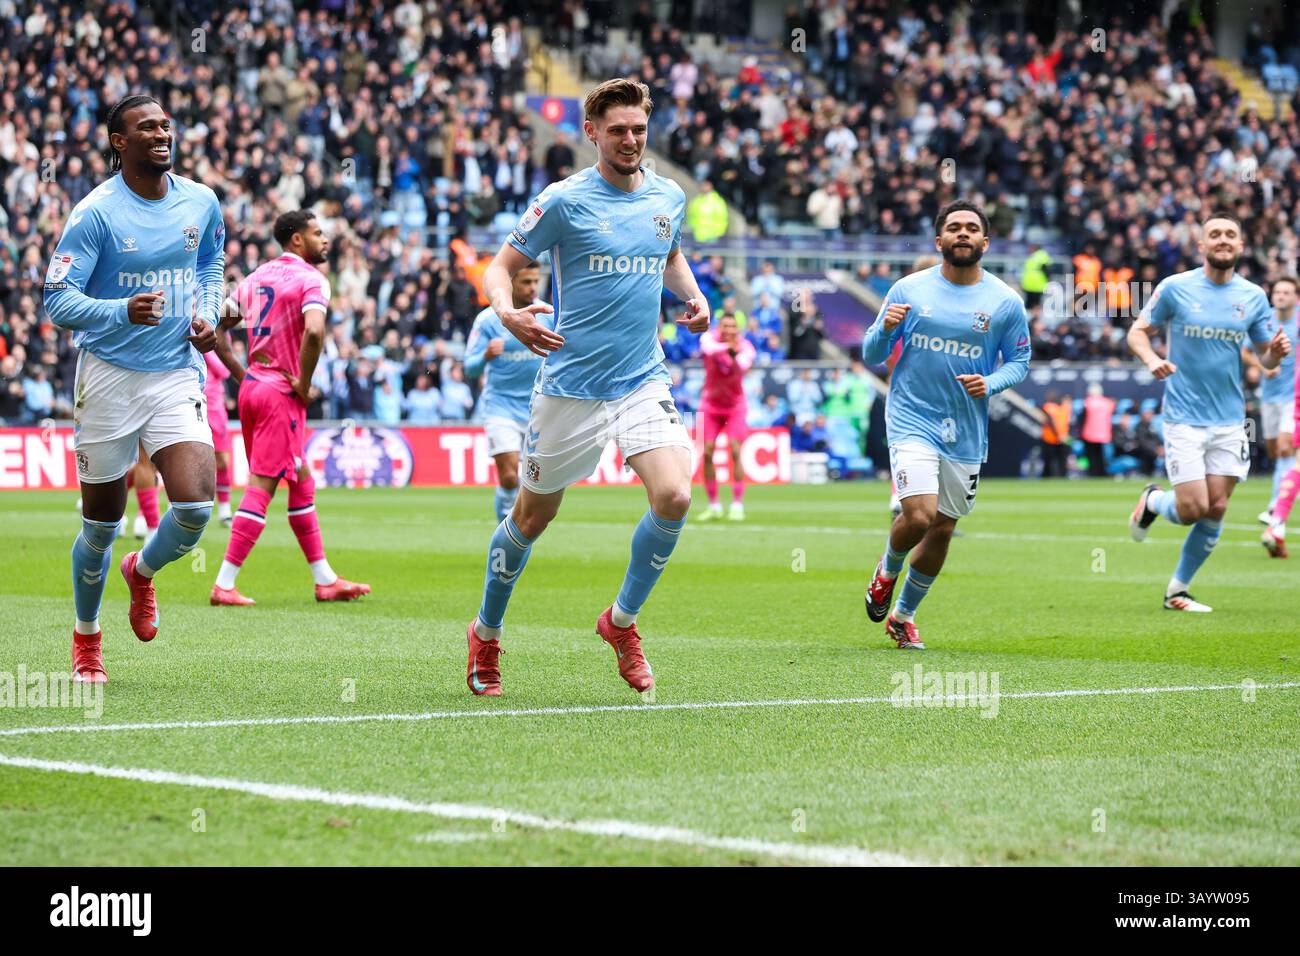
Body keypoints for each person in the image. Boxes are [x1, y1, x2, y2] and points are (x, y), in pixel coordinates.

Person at [465, 77, 708, 700]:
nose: (630, 140)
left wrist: (694, 295)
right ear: (592, 133)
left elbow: (669, 251)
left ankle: (621, 623)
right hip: (571, 385)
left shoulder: (669, 196)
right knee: (531, 517)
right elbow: (499, 268)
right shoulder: (564, 201)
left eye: (638, 129)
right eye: (617, 130)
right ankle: (486, 631)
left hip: (640, 377)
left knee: (676, 495)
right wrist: (507, 314)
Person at [43, 94, 224, 683]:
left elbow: (210, 265)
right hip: (109, 377)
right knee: (100, 524)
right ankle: (87, 637)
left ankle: (141, 572)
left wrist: (209, 313)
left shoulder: (201, 201)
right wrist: (121, 309)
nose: (162, 134)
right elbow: (56, 302)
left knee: (196, 505)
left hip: (175, 370)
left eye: (166, 125)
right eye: (147, 128)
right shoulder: (95, 213)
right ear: (119, 142)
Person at [861, 199, 1031, 649]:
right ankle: (886, 570)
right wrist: (883, 330)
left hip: (966, 430)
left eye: (971, 228)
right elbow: (872, 354)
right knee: (918, 515)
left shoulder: (1005, 302)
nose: (962, 233)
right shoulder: (908, 290)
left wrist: (992, 383)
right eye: (953, 227)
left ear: (985, 242)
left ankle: (903, 616)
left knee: (943, 527)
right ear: (939, 241)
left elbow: (1020, 360)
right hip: (911, 418)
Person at [1127, 213, 1291, 610]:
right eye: (1214, 234)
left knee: (1217, 507)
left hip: (1231, 420)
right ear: (1201, 245)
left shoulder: (1252, 296)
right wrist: (1151, 360)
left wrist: (1275, 353)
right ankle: (1152, 502)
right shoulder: (1175, 289)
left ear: (1240, 246)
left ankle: (1176, 591)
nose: (1222, 240)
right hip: (1184, 417)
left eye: (1230, 235)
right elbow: (1137, 332)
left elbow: (1267, 362)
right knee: (1191, 509)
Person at [211, 210, 370, 606]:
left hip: (254, 388)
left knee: (300, 478)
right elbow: (315, 330)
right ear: (297, 240)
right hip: (280, 392)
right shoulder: (312, 280)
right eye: (317, 233)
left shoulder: (256, 277)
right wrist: (302, 381)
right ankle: (224, 583)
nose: (325, 240)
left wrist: (241, 375)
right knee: (264, 482)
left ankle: (325, 578)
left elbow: (216, 329)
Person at [464, 261, 553, 521]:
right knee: (509, 475)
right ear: (511, 280)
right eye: (526, 281)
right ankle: (504, 529)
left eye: (536, 281)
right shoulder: (489, 319)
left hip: (538, 408)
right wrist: (485, 355)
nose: (533, 287)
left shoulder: (547, 314)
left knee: (533, 481)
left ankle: (519, 527)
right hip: (500, 407)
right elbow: (469, 368)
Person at [697, 313, 756, 521]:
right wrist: (728, 349)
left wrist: (734, 354)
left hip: (735, 406)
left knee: (736, 450)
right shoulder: (709, 338)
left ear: (737, 329)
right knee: (707, 453)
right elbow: (708, 350)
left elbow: (743, 366)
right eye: (725, 326)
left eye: (733, 326)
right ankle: (714, 505)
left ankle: (737, 504)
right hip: (709, 405)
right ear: (719, 327)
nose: (729, 330)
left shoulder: (746, 346)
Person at [1256, 276, 1298, 535]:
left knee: (1284, 449)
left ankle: (1274, 508)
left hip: (1293, 397)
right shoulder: (1264, 320)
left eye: (1287, 292)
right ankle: (1288, 487)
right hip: (1268, 396)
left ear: (1295, 297)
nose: (1281, 296)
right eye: (1278, 291)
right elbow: (1247, 351)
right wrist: (1262, 367)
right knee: (1274, 452)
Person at [204, 335, 243, 527]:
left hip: (214, 405)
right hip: (193, 401)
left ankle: (225, 510)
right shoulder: (188, 328)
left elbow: (224, 370)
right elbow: (223, 368)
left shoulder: (220, 332)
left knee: (222, 459)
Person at [1080, 383, 1115, 477]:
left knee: (1091, 456)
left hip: (1089, 433)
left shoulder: (1088, 402)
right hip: (1103, 433)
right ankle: (1101, 473)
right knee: (1100, 455)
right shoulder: (1108, 402)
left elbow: (1082, 418)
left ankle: (1093, 473)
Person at [1040, 390, 1071, 478]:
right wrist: (1059, 435)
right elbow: (1051, 423)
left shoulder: (1064, 409)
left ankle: (1061, 477)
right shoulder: (1049, 407)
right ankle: (1048, 478)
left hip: (1062, 439)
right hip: (1050, 438)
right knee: (1049, 461)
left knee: (1062, 461)